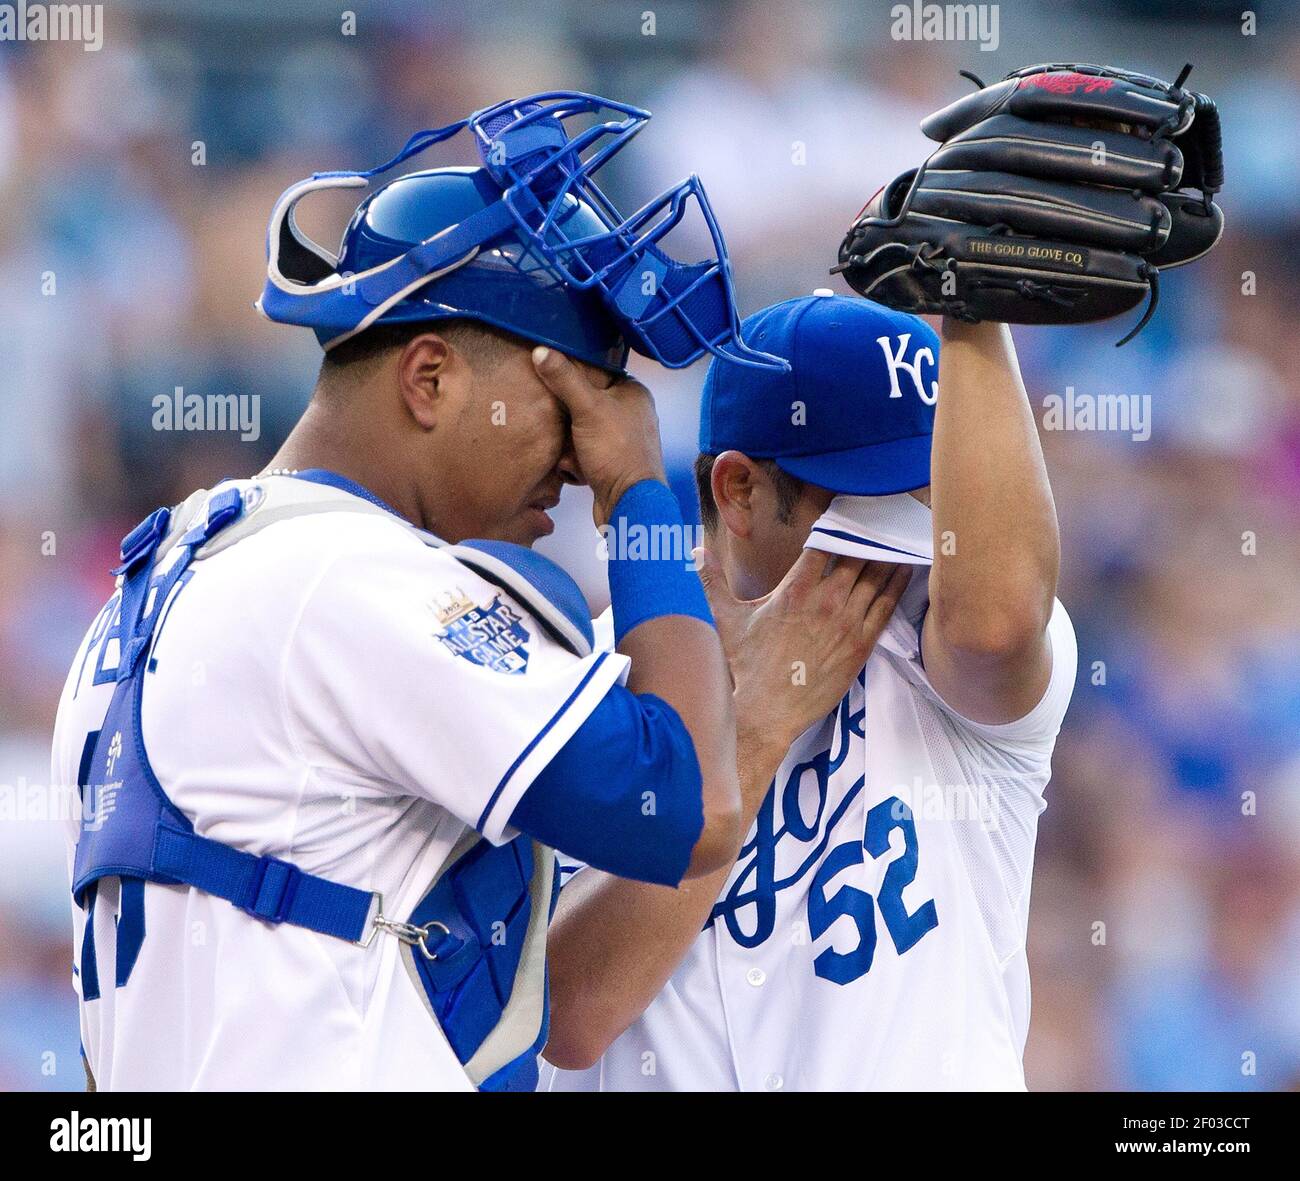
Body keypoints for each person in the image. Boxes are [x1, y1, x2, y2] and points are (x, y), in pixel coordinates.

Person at [52, 93, 780, 1092]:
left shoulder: (157, 578)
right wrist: (638, 496)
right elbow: (690, 804)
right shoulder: (343, 576)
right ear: (430, 377)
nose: (579, 457)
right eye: (566, 400)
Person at [542, 291, 1078, 1090]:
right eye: (866, 498)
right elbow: (570, 1012)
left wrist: (975, 308)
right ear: (739, 492)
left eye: (929, 489)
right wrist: (756, 726)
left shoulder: (939, 630)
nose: (915, 532)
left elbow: (999, 621)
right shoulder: (572, 679)